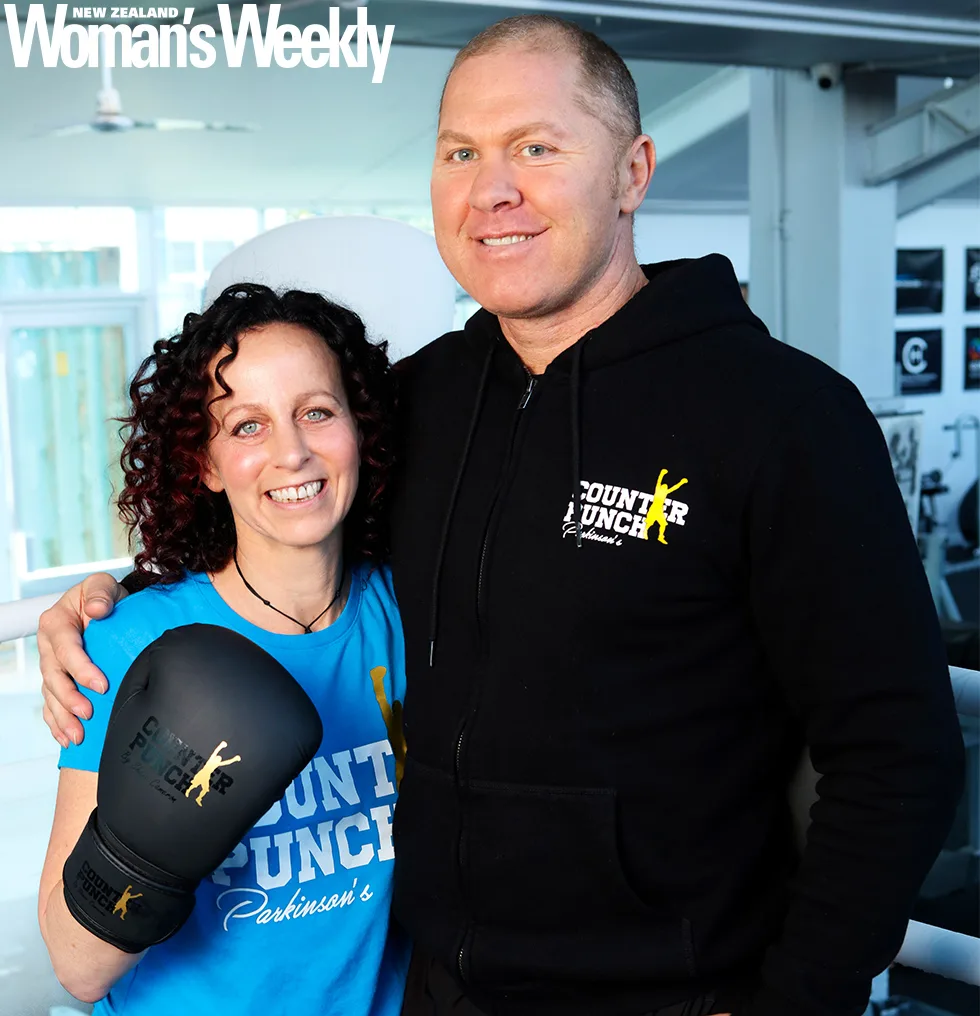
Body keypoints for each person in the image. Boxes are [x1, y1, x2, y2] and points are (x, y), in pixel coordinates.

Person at [38, 15, 964, 1016]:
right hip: (439, 989)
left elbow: (895, 750)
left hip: (672, 993)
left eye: (535, 146)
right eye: (461, 153)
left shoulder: (780, 416)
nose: (494, 191)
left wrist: (797, 999)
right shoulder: (419, 401)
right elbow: (288, 501)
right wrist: (115, 604)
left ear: (631, 170)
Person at [38, 283, 410, 1013]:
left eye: (316, 412)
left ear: (358, 431)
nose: (293, 451)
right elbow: (75, 968)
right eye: (246, 426)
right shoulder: (131, 641)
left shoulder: (407, 611)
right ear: (204, 465)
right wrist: (143, 855)